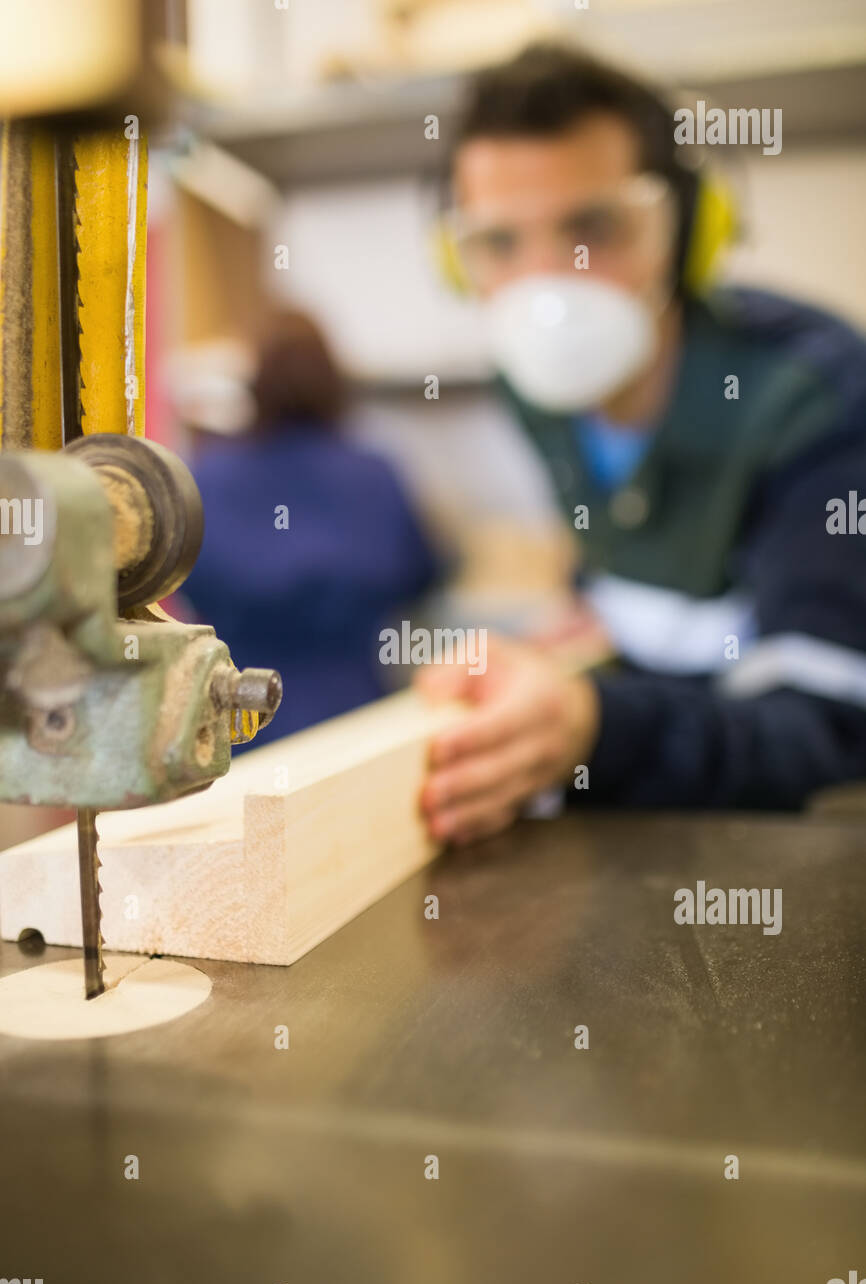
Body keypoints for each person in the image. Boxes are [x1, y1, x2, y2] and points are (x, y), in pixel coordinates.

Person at [418, 42, 866, 844]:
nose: (545, 283)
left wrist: (596, 728)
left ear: (687, 230)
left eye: (593, 226)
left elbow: (826, 733)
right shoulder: (535, 388)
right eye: (498, 243)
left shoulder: (819, 395)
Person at [181, 310, 440, 741]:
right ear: (332, 379)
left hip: (239, 719)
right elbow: (423, 572)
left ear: (254, 383)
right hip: (356, 718)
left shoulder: (209, 478)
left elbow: (187, 582)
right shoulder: (375, 474)